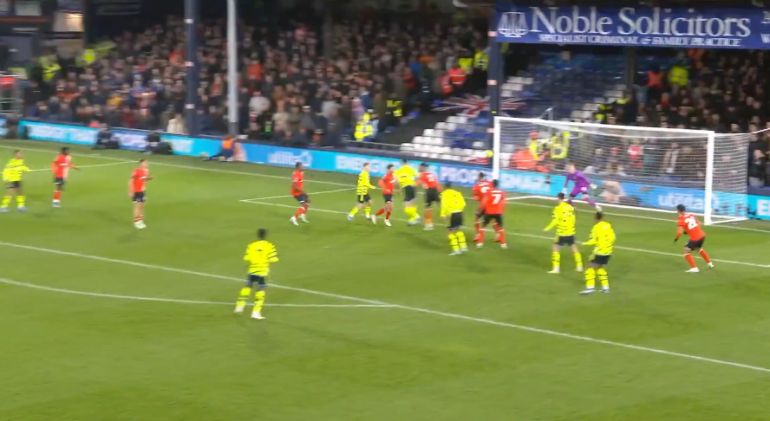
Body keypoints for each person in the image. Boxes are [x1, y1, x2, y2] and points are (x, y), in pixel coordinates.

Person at [234, 228, 278, 320]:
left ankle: (239, 306)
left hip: (252, 270)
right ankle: (256, 312)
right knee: (260, 290)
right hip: (262, 271)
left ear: (258, 235)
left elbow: (246, 258)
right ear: (265, 235)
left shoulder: (251, 245)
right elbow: (274, 259)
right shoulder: (270, 246)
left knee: (247, 287)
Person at [543, 193, 583, 274]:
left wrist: (548, 228)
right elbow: (573, 217)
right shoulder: (570, 207)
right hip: (570, 231)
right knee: (574, 247)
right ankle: (579, 266)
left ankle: (556, 268)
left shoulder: (557, 209)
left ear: (558, 198)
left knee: (555, 248)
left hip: (561, 232)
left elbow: (555, 220)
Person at [580, 212, 616, 295]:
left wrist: (584, 243)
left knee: (589, 267)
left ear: (596, 219)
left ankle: (590, 288)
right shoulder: (608, 225)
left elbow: (593, 241)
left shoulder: (596, 227)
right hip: (608, 252)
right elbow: (613, 238)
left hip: (600, 252)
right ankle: (606, 288)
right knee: (600, 268)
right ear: (602, 218)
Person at [674, 204, 714, 273]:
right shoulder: (691, 215)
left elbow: (679, 233)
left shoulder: (681, 220)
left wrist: (676, 239)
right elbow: (698, 223)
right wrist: (688, 231)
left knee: (686, 250)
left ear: (678, 211)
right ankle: (710, 264)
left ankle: (694, 268)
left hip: (695, 238)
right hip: (702, 235)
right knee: (698, 249)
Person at [475, 179, 507, 249]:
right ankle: (503, 244)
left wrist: (480, 211)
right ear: (498, 185)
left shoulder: (489, 192)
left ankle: (480, 243)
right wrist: (502, 210)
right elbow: (504, 202)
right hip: (498, 212)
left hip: (489, 212)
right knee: (501, 228)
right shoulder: (502, 192)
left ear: (492, 184)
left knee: (483, 227)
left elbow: (484, 202)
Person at [440, 181, 468, 256]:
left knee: (451, 232)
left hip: (452, 214)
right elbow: (463, 204)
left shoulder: (444, 194)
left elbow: (444, 206)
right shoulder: (457, 193)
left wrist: (443, 216)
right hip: (460, 213)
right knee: (458, 230)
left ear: (445, 187)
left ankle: (456, 250)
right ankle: (463, 247)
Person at [394, 158, 420, 225]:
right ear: (407, 162)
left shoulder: (399, 170)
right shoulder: (410, 168)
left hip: (407, 188)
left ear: (401, 163)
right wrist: (414, 183)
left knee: (406, 207)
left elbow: (396, 181)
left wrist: (399, 188)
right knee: (412, 205)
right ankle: (413, 220)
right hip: (413, 187)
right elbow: (417, 176)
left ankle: (416, 216)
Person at [129, 159, 152, 229]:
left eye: (147, 163)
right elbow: (131, 180)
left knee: (142, 206)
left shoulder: (147, 171)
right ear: (141, 164)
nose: (146, 164)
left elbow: (144, 180)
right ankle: (136, 222)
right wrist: (131, 191)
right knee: (137, 206)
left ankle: (140, 221)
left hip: (142, 191)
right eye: (145, 163)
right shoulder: (136, 171)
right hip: (136, 191)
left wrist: (149, 178)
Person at [418, 162, 441, 231]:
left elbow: (423, 185)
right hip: (436, 191)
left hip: (429, 191)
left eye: (420, 167)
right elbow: (437, 183)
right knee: (441, 207)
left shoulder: (422, 175)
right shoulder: (432, 174)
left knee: (428, 208)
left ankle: (428, 225)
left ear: (423, 167)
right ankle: (452, 222)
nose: (419, 168)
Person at [471, 172, 493, 238]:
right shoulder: (490, 183)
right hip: (491, 205)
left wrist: (479, 198)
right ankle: (498, 234)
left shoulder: (476, 186)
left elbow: (475, 198)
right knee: (494, 219)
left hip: (483, 205)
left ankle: (477, 235)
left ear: (479, 177)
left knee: (477, 219)